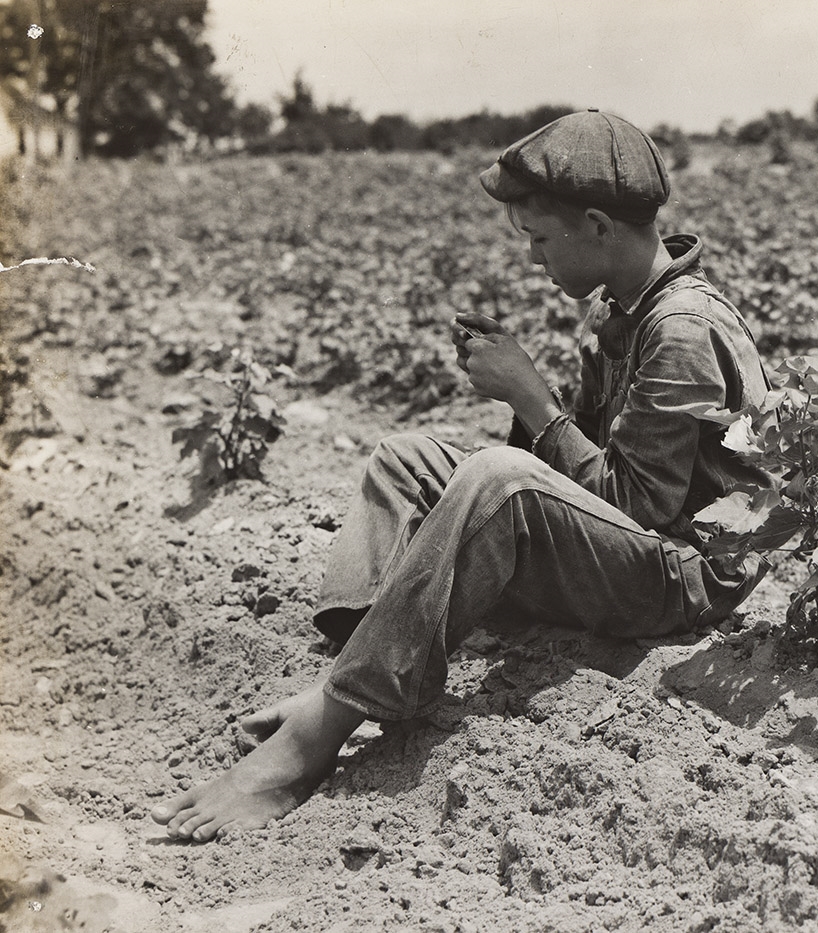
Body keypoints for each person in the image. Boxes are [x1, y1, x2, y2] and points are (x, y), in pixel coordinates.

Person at [150, 110, 773, 842]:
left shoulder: (680, 327)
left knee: (495, 476)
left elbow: (638, 507)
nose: (534, 258)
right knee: (403, 459)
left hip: (687, 578)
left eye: (540, 239)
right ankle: (353, 664)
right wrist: (531, 405)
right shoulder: (620, 311)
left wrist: (527, 396)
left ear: (599, 227)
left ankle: (316, 736)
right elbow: (581, 479)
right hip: (635, 553)